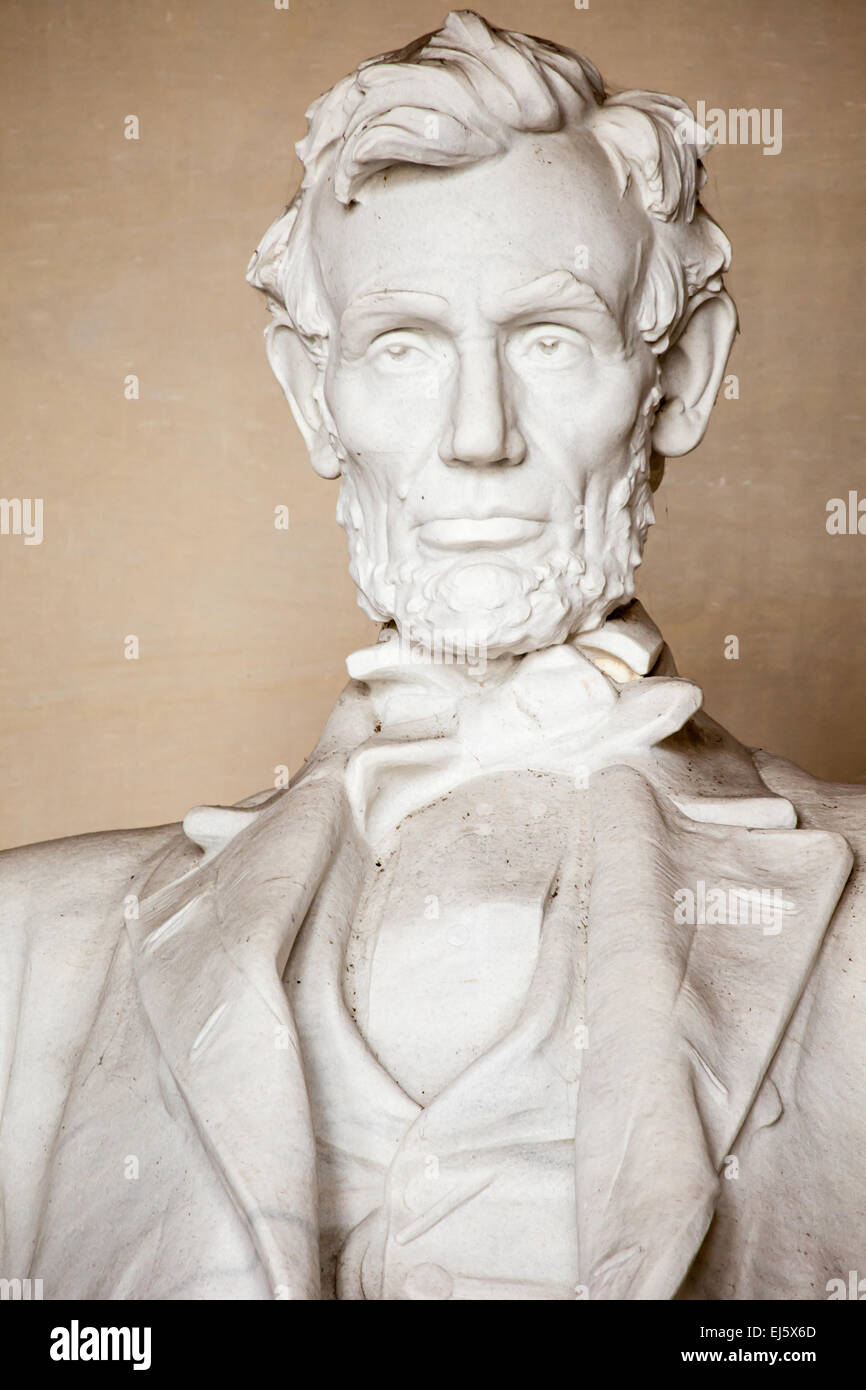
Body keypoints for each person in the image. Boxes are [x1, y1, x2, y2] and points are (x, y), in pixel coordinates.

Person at [1, 11, 863, 1301]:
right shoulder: (29, 955)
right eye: (402, 347)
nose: (476, 436)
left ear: (678, 377)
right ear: (312, 394)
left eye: (548, 340)